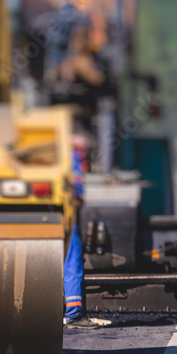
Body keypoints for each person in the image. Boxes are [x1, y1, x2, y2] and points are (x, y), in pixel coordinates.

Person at [64, 134, 99, 329]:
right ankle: (74, 314)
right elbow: (77, 187)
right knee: (72, 261)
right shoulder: (71, 156)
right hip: (67, 214)